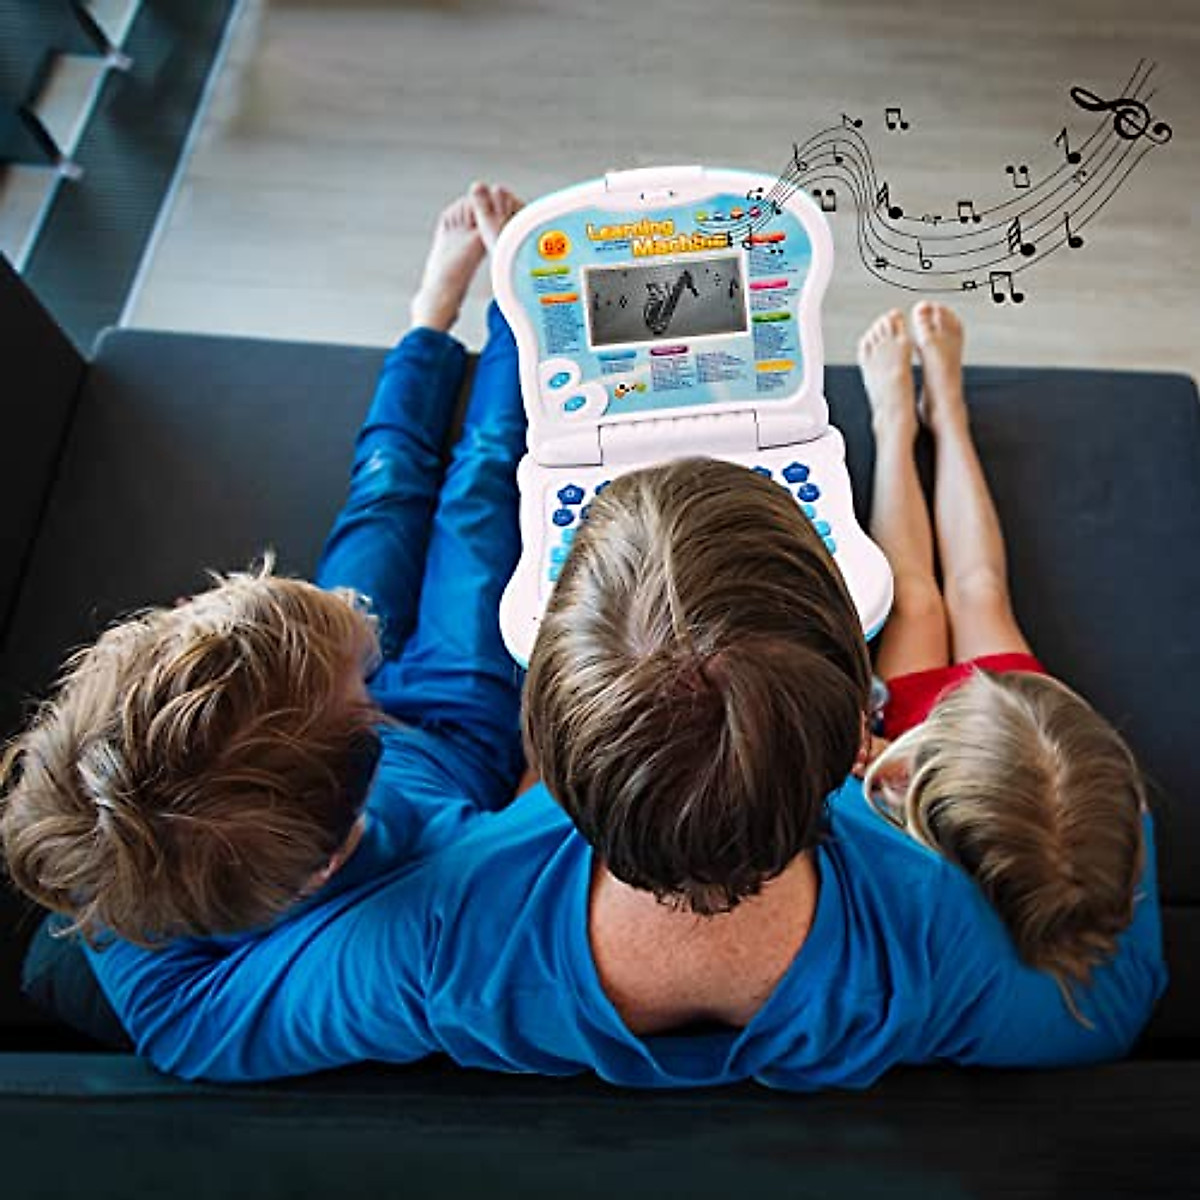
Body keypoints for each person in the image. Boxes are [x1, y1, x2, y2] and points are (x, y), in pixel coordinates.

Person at [0, 200, 1166, 1085]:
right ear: (861, 739)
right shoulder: (934, 935)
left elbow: (174, 1008)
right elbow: (1114, 997)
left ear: (539, 753)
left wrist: (122, 825)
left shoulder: (429, 938)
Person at [1, 182, 529, 944]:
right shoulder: (439, 863)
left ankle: (427, 318)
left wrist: (318, 658)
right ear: (329, 859)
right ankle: (514, 305)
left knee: (384, 487)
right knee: (481, 483)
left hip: (310, 707)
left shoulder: (164, 868)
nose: (362, 617)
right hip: (454, 727)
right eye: (360, 684)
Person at [855, 302, 1149, 1019]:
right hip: (1027, 734)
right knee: (981, 588)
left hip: (938, 750)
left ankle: (894, 426)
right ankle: (948, 413)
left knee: (918, 601)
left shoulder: (939, 871)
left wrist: (875, 760)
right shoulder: (1104, 833)